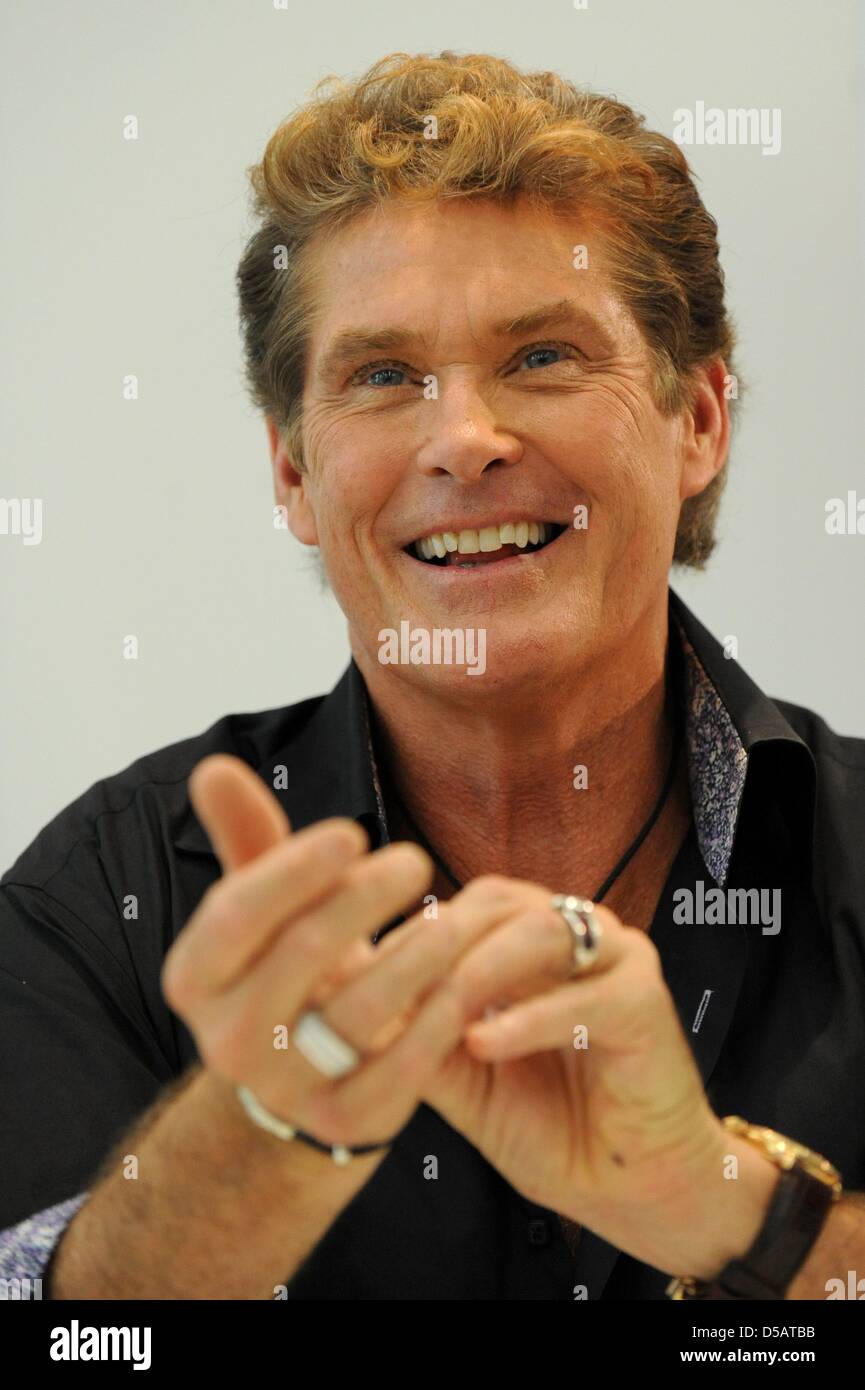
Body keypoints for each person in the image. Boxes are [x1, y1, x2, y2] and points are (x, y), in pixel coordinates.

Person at [2, 50, 864, 1301]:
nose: (462, 440)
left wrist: (721, 1206)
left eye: (543, 356)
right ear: (294, 474)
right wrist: (259, 1137)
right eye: (383, 377)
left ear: (699, 421)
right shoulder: (101, 902)